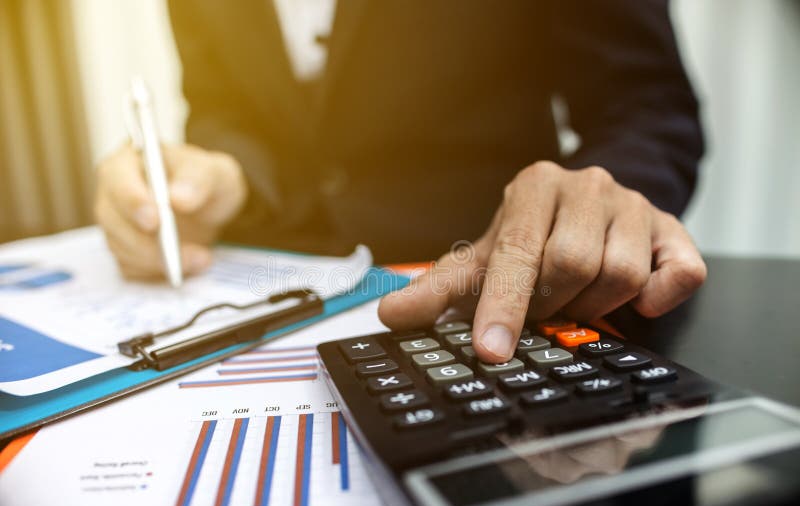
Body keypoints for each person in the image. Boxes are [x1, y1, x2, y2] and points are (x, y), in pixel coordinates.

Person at [94, 0, 707, 364]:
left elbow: (645, 101)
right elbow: (223, 106)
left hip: (491, 290)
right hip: (280, 286)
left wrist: (587, 208)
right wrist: (228, 175)